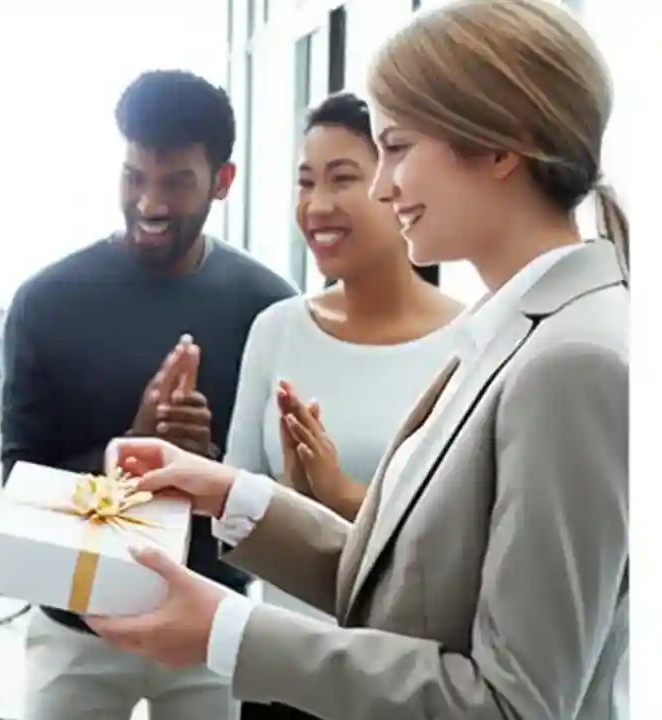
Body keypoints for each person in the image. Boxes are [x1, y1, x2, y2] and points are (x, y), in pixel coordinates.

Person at [87, 2, 630, 718]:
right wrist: (230, 494)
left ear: (504, 147)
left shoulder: (574, 359)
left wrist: (229, 632)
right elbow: (408, 587)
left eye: (398, 148)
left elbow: (510, 703)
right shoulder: (513, 329)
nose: (382, 187)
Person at [0, 70, 297, 720]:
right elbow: (14, 490)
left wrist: (205, 464)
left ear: (223, 181)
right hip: (77, 626)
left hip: (209, 627)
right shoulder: (46, 303)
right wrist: (127, 456)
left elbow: (278, 498)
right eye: (134, 177)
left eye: (175, 182)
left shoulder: (269, 309)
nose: (149, 203)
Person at [223, 90, 465, 720]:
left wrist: (346, 497)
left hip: (406, 682)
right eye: (306, 181)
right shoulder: (276, 327)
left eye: (342, 178)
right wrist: (287, 495)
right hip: (283, 672)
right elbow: (235, 504)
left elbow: (466, 546)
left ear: (394, 184)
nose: (317, 205)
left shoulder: (473, 341)